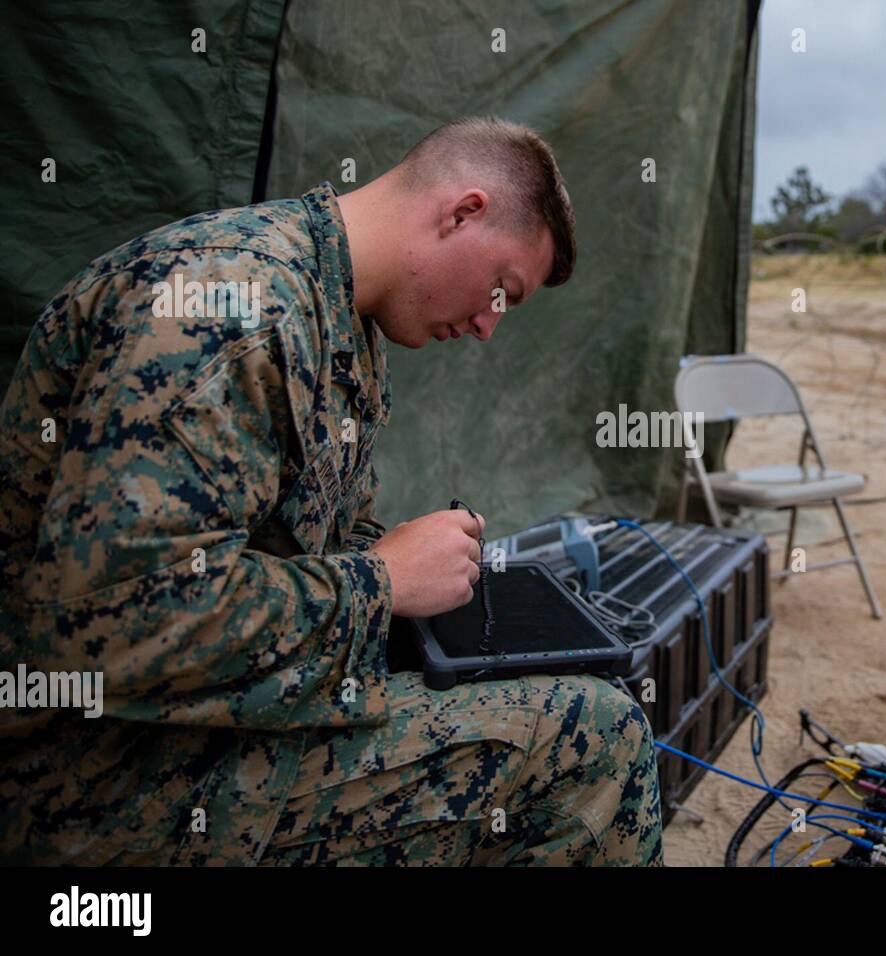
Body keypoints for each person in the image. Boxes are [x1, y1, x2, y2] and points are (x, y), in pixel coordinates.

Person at [0, 117, 663, 866]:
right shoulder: (233, 305)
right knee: (594, 737)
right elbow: (113, 625)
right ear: (462, 212)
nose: (485, 326)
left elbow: (304, 544)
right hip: (99, 784)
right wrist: (381, 582)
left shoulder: (344, 321)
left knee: (549, 675)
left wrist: (411, 567)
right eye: (501, 292)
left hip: (207, 726)